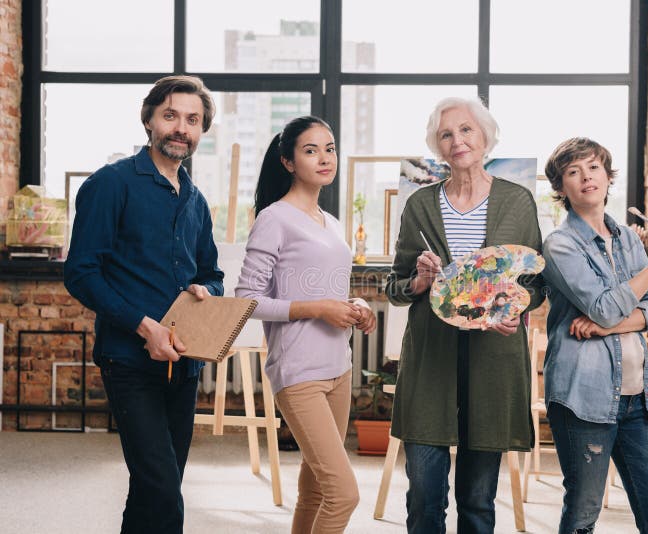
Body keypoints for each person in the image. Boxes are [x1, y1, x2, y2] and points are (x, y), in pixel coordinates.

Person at [64, 75, 223, 533]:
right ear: (149, 120)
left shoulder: (196, 201)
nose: (181, 128)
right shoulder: (111, 184)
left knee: (152, 490)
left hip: (184, 364)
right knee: (164, 494)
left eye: (192, 120)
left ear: (201, 130)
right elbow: (80, 272)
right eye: (170, 115)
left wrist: (206, 292)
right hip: (129, 361)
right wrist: (144, 326)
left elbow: (210, 273)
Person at [385, 97, 544, 533]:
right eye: (446, 134)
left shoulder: (518, 201)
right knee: (423, 494)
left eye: (467, 130)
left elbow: (534, 281)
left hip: (493, 358)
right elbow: (395, 285)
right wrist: (417, 282)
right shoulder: (419, 204)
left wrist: (515, 310)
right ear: (438, 145)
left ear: (485, 135)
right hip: (430, 359)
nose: (458, 140)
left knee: (477, 500)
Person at [541, 137, 648, 534]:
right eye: (572, 172)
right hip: (582, 398)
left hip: (637, 398)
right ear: (562, 188)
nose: (586, 177)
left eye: (593, 168)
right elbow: (607, 305)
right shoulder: (560, 245)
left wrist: (606, 326)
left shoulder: (628, 239)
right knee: (582, 513)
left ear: (608, 178)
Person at [235, 116, 376, 534]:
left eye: (329, 148)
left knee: (315, 490)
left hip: (339, 367)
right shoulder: (274, 218)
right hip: (299, 374)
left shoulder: (331, 222)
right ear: (288, 162)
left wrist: (357, 304)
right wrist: (317, 309)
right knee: (344, 493)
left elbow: (328, 287)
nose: (324, 157)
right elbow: (246, 301)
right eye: (310, 150)